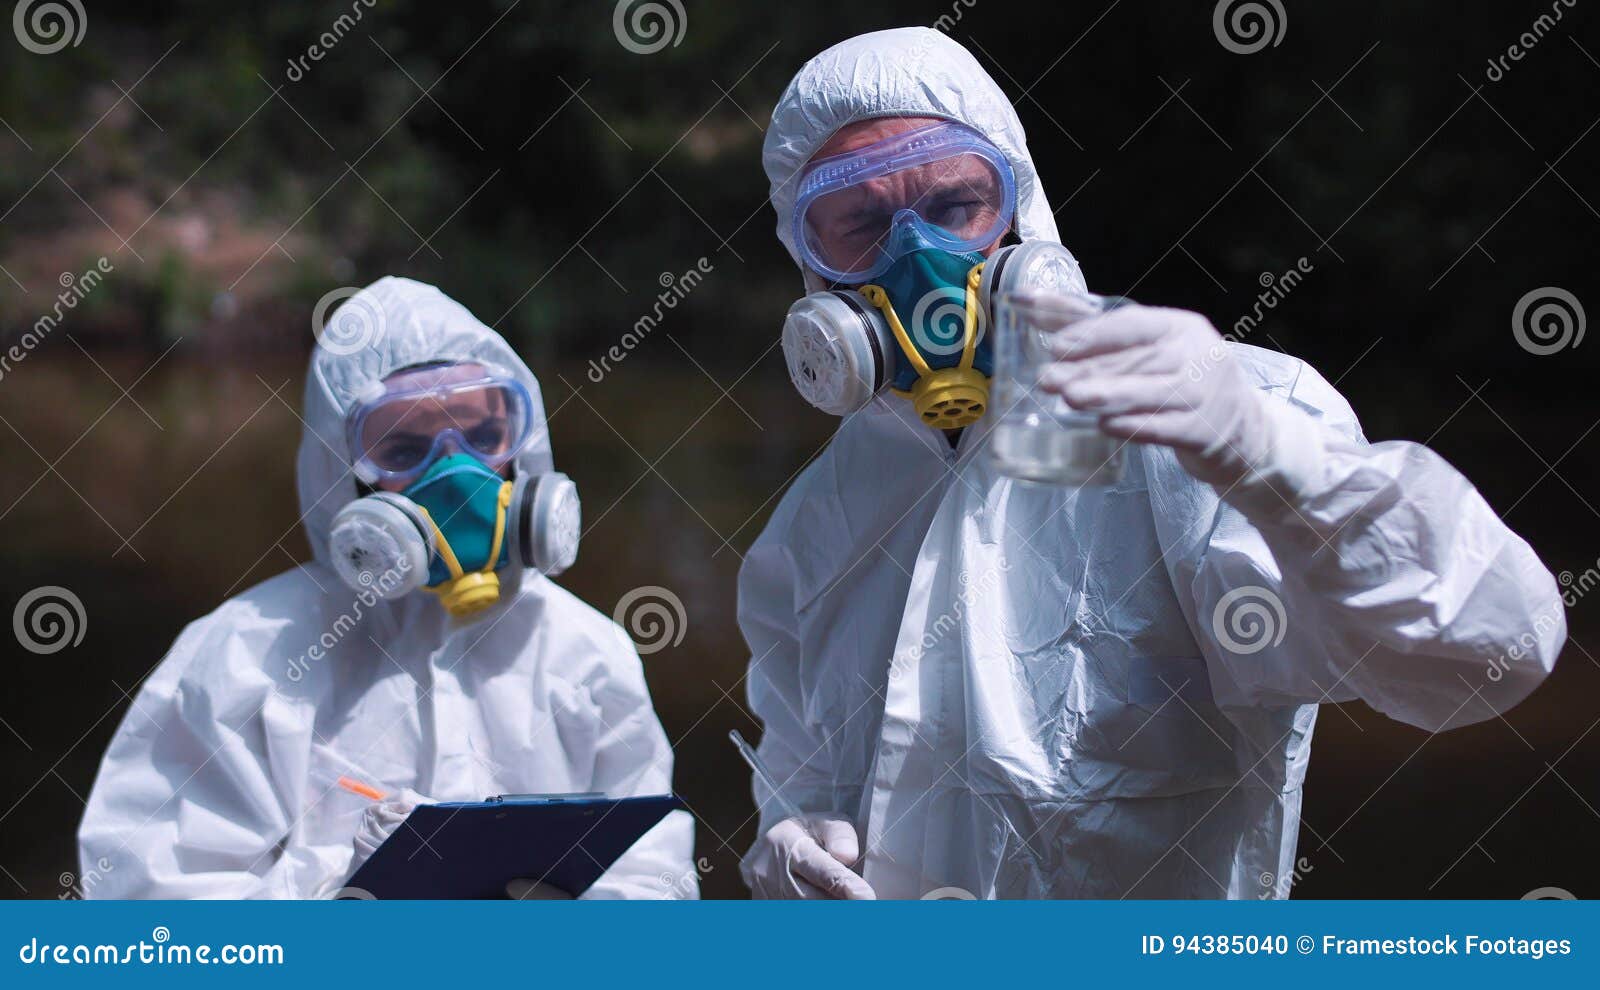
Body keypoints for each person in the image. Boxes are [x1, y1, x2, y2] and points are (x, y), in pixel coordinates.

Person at [738, 28, 1565, 900]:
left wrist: (1274, 463)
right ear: (809, 265)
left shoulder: (1212, 426)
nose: (918, 261)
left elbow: (1491, 655)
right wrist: (787, 838)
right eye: (860, 226)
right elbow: (801, 778)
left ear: (1022, 214)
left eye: (952, 207)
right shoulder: (813, 526)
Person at [77, 277, 695, 899]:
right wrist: (339, 901)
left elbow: (654, 876)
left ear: (522, 446)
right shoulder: (243, 658)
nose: (457, 476)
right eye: (403, 448)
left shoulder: (587, 652)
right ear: (342, 474)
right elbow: (146, 911)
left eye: (482, 438)